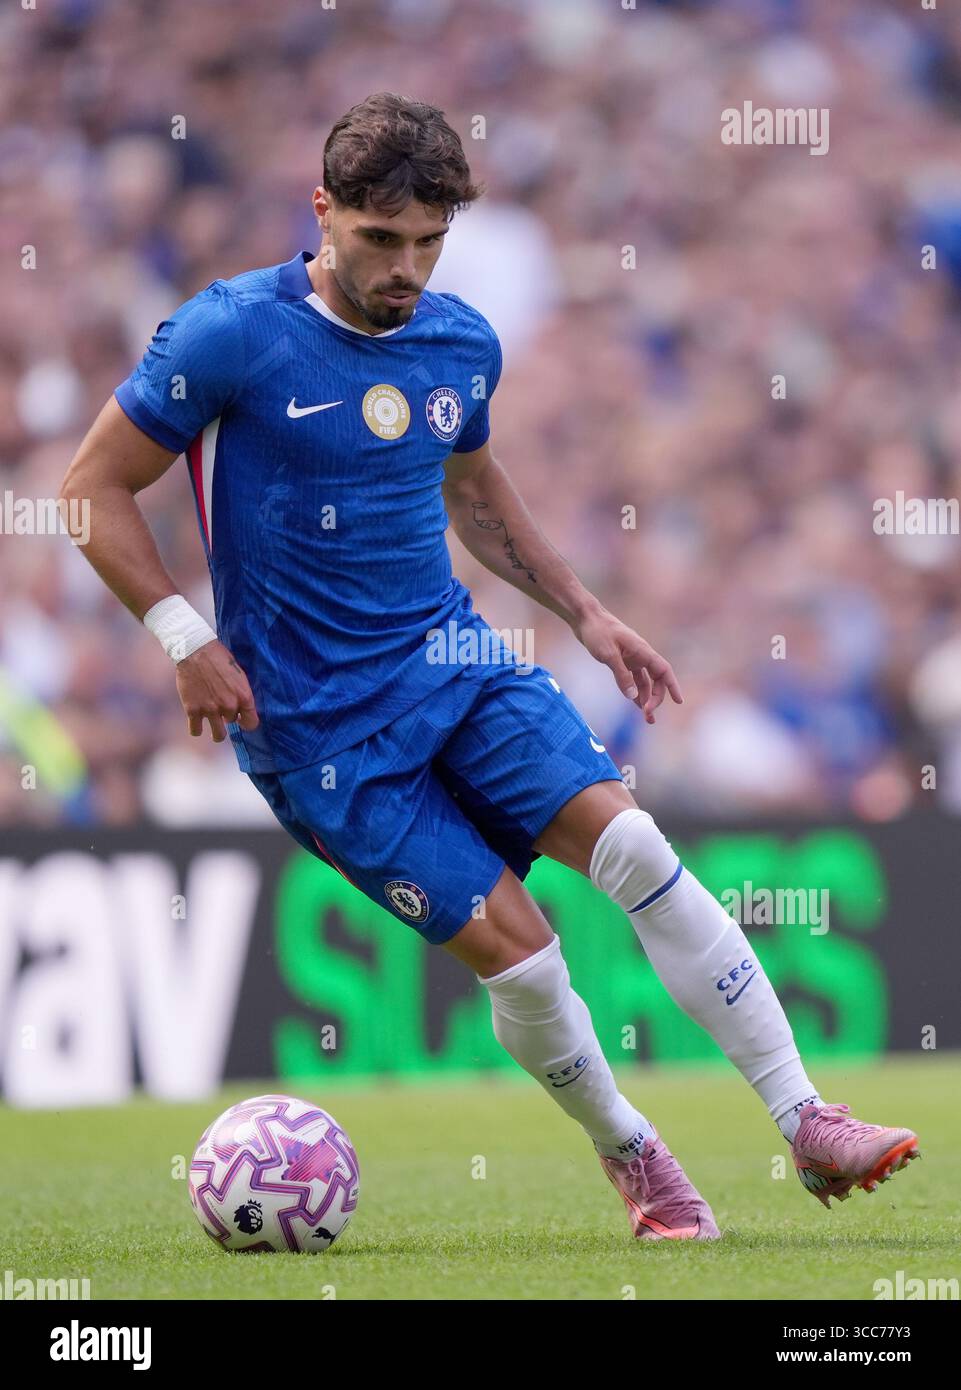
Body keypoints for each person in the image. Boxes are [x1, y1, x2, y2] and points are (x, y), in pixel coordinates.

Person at [60, 92, 918, 1239]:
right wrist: (185, 637)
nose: (406, 267)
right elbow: (87, 489)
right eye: (380, 240)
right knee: (525, 959)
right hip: (320, 731)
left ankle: (805, 1117)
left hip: (456, 663)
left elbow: (471, 487)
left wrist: (585, 609)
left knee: (635, 846)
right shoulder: (228, 335)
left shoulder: (461, 342)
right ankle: (636, 1155)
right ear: (322, 211)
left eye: (428, 242)